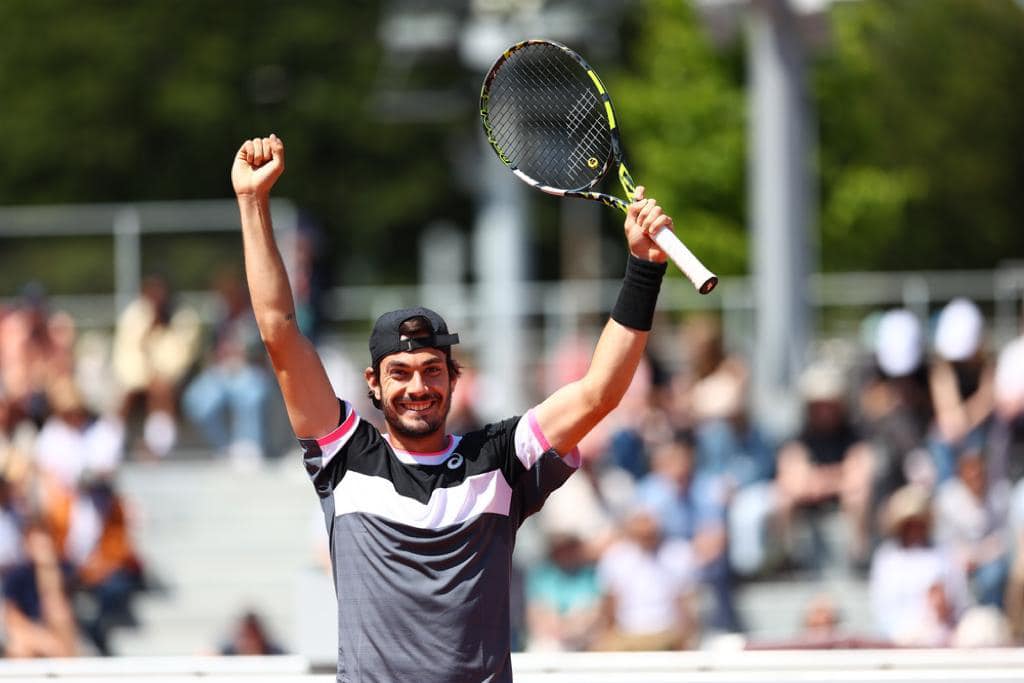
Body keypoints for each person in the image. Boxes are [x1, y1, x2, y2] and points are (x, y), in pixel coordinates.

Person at [231, 133, 675, 682]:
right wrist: (253, 203)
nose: (418, 386)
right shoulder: (343, 453)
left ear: (454, 379)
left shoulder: (499, 459)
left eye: (432, 371)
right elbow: (279, 331)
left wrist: (643, 268)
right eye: (400, 372)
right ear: (373, 384)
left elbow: (600, 392)